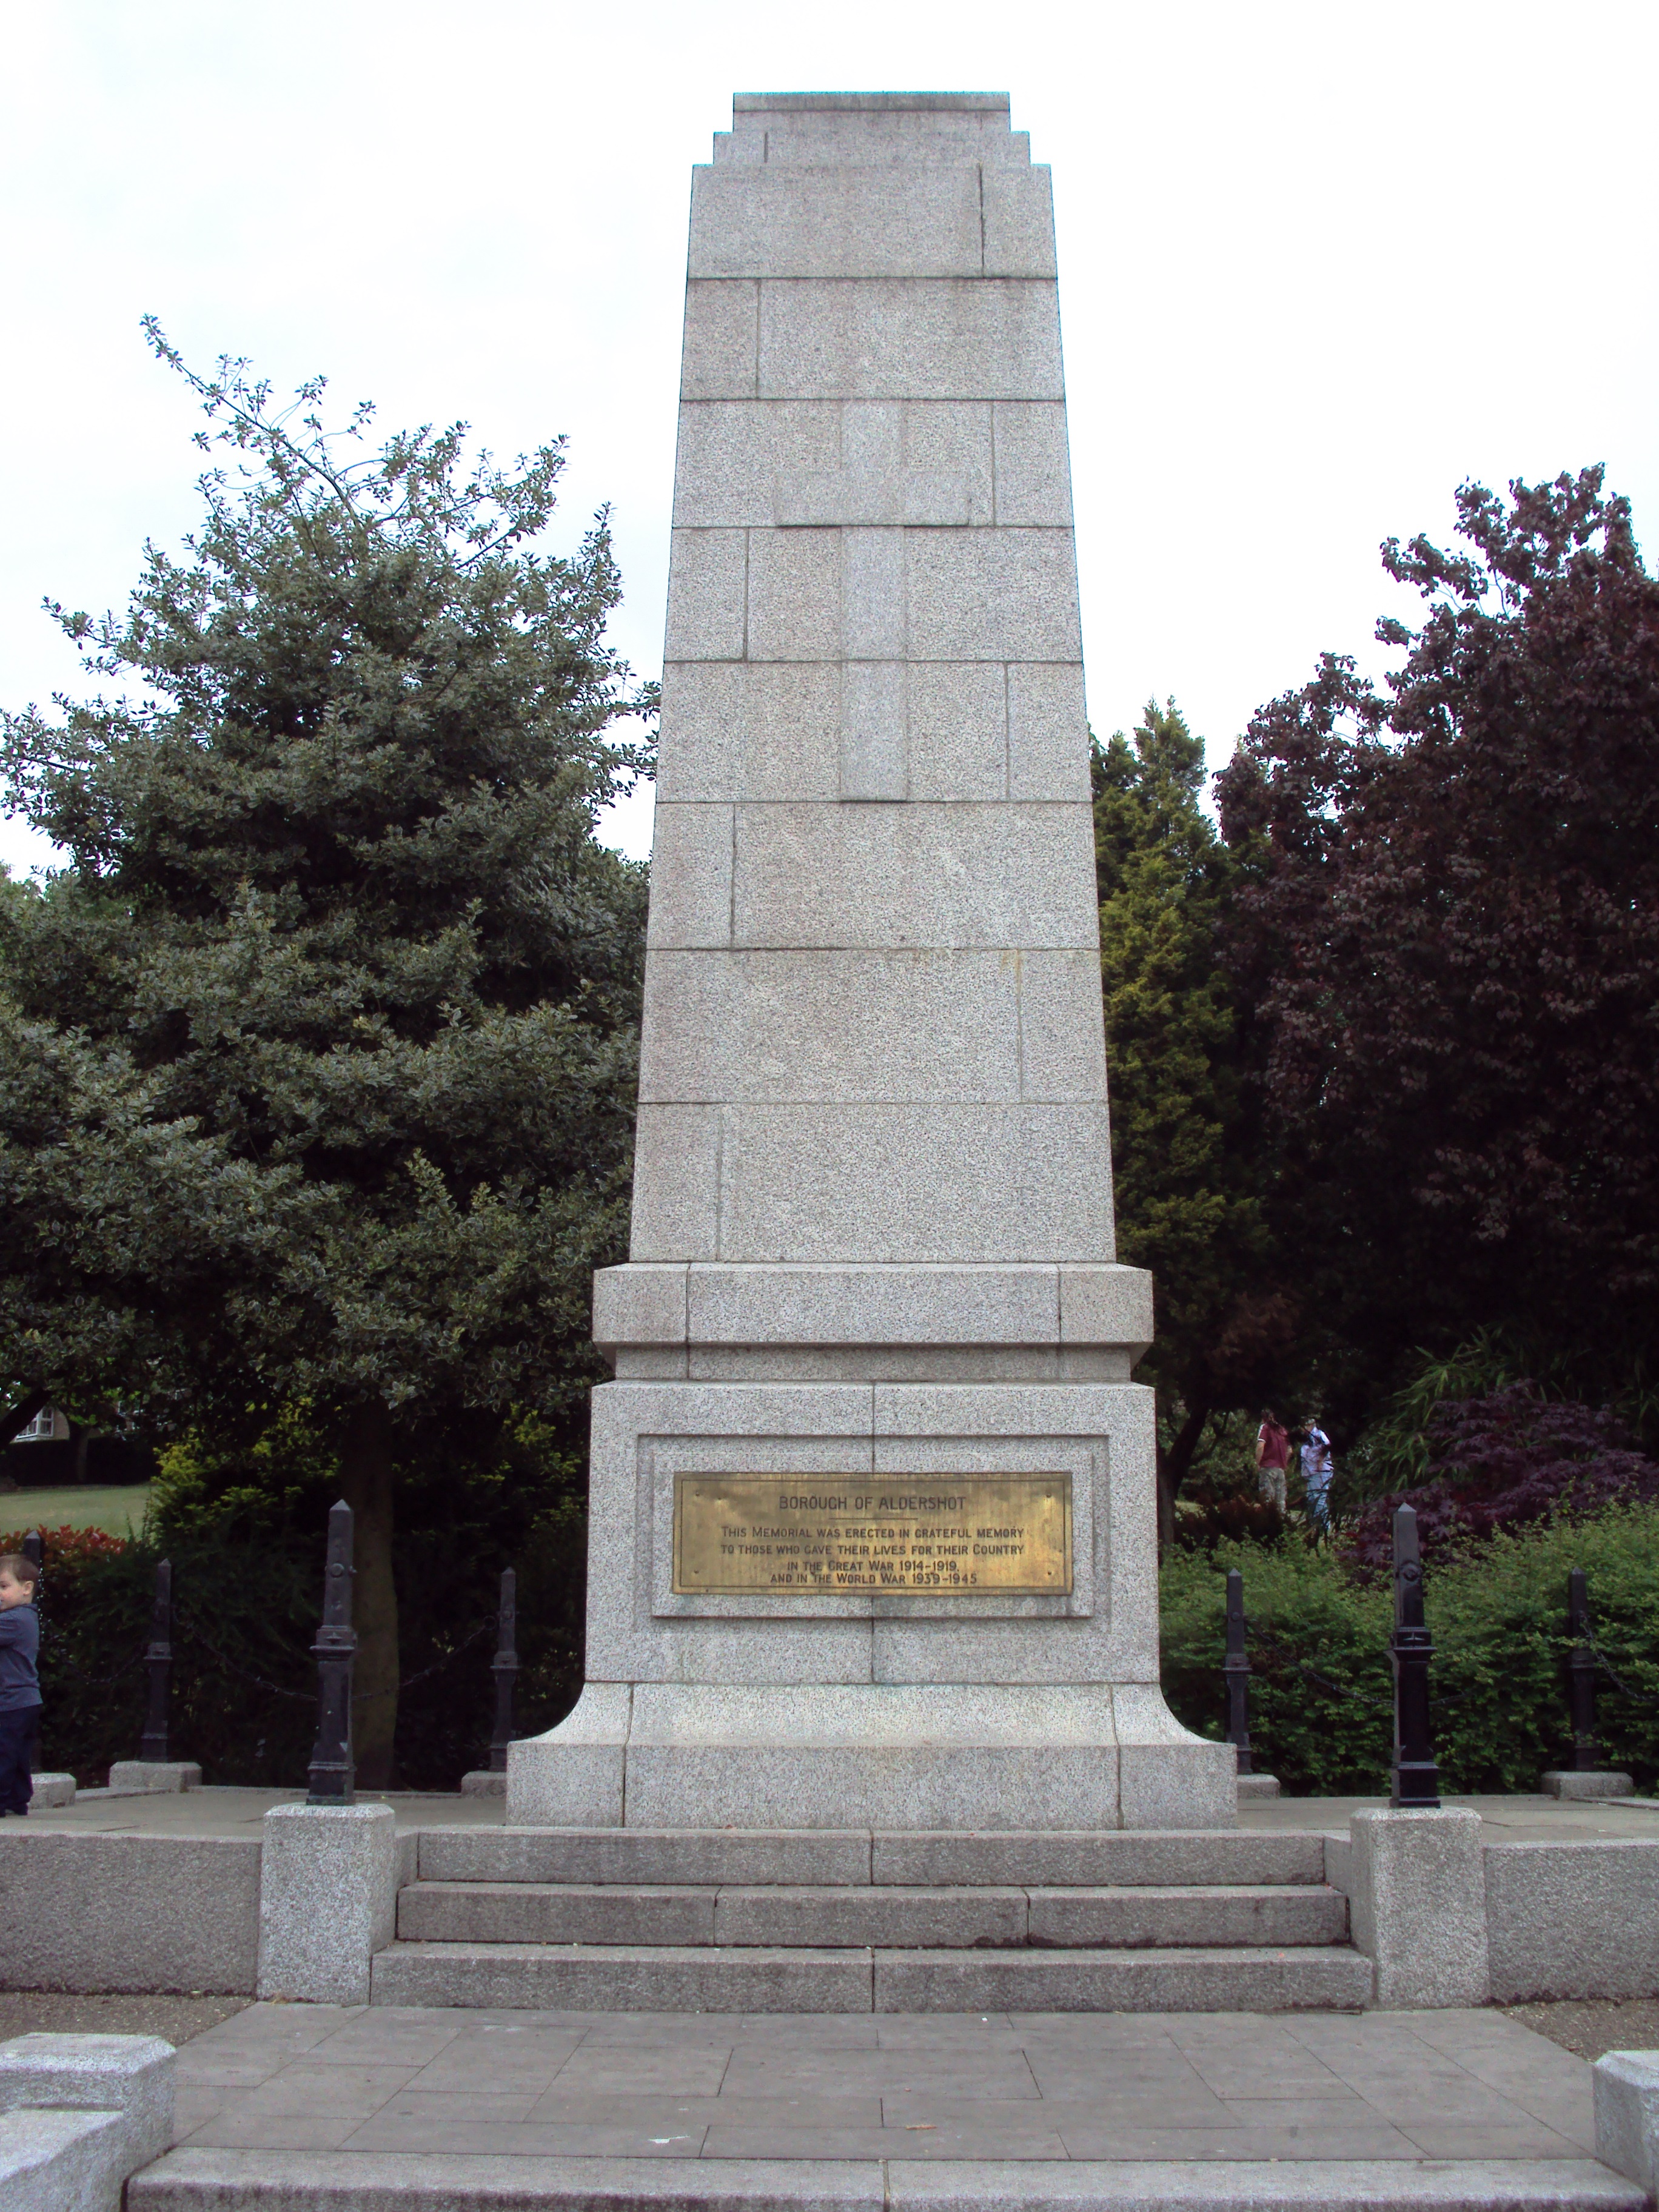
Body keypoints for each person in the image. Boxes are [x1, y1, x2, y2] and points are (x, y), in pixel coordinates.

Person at [0, 1553, 42, 1817]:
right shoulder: (23, 1618)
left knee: (4, 1753)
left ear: (27, 1589)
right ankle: (18, 1799)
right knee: (16, 1755)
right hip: (26, 1702)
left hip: (12, 1702)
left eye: (4, 1586)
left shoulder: (15, 1621)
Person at [1301, 1418, 1334, 1532]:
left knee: (1320, 1499)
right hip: (1311, 1473)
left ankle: (1325, 1527)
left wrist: (1321, 1460)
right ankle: (1315, 1526)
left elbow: (1327, 1445)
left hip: (1320, 1472)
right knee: (1312, 1499)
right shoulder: (1308, 1438)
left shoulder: (1319, 1435)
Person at [1255, 1409, 1290, 1514]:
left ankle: (1269, 1525)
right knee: (1280, 1500)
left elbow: (1261, 1446)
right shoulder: (1282, 1430)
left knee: (1268, 1498)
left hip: (1268, 1467)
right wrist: (1284, 1462)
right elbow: (1289, 1450)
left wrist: (1258, 1462)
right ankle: (1282, 1524)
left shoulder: (1265, 1428)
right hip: (1280, 1468)